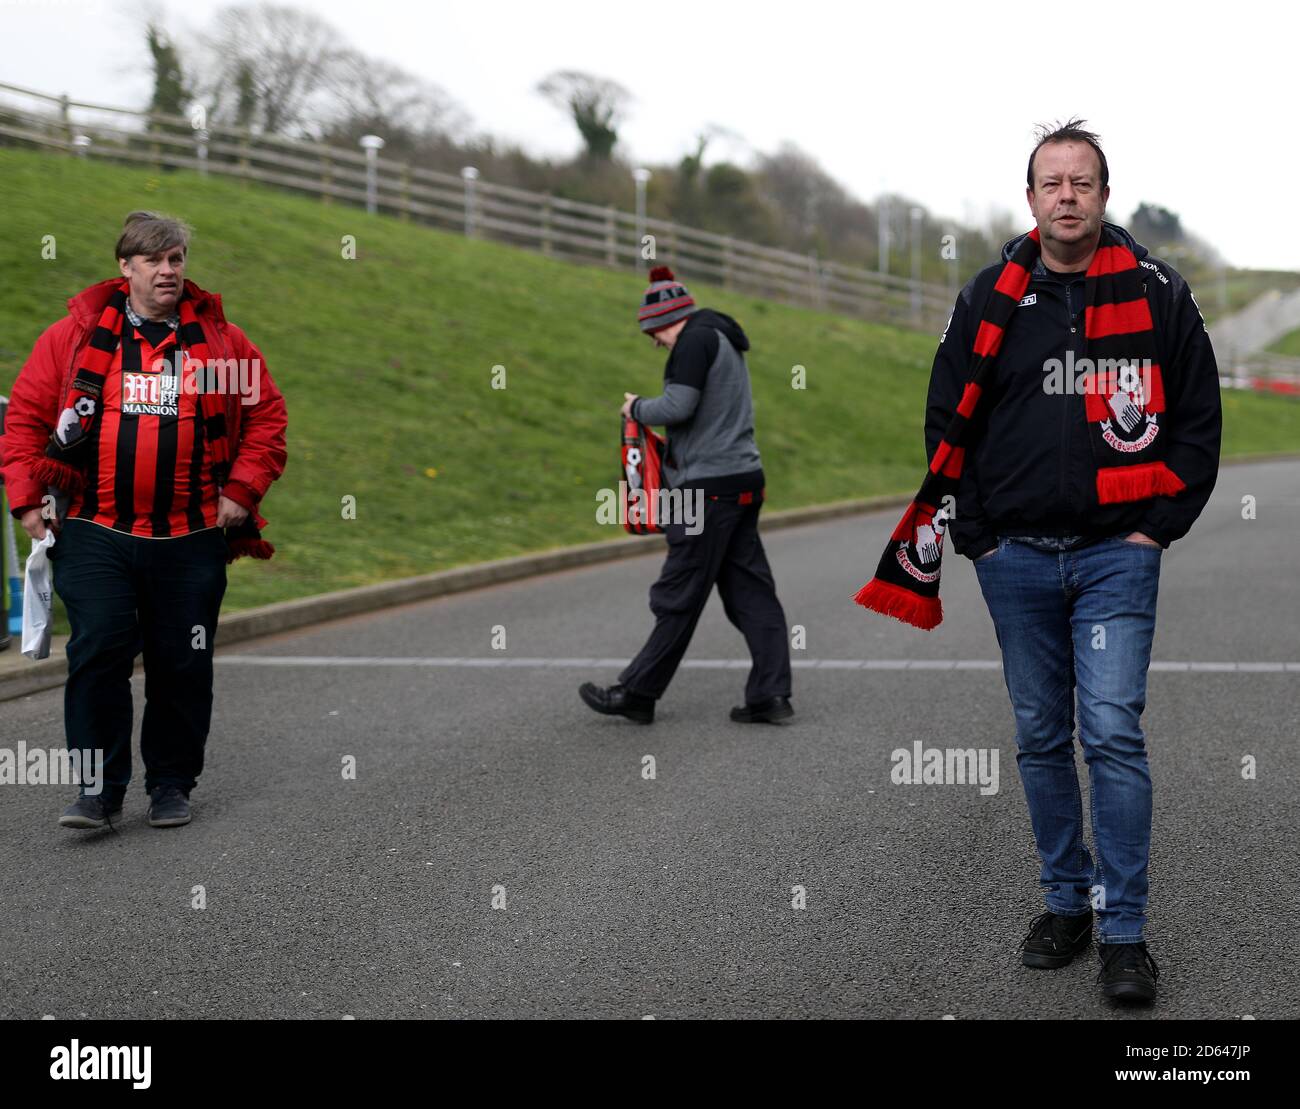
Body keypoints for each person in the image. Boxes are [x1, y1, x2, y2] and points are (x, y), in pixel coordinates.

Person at [858, 119, 1220, 1004]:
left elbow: (1197, 420)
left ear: (1104, 194)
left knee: (1112, 732)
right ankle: (1067, 902)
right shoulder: (990, 297)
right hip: (1014, 556)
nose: (1067, 195)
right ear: (1031, 198)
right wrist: (977, 533)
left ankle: (1125, 930)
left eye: (1082, 182)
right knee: (1039, 735)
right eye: (1051, 182)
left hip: (1116, 556)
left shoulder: (1159, 293)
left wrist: (1154, 525)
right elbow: (950, 419)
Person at [2, 211, 288, 830]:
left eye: (177, 259)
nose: (168, 271)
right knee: (99, 650)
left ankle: (170, 784)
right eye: (155, 260)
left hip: (189, 537)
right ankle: (97, 794)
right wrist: (26, 497)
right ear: (125, 268)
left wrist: (243, 487)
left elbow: (266, 419)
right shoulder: (75, 339)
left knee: (180, 660)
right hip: (96, 529)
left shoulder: (218, 345)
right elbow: (24, 418)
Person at [579, 266, 792, 725]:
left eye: (652, 333)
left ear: (665, 321)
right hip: (743, 480)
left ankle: (638, 692)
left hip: (705, 490)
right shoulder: (724, 336)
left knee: (679, 592)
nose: (654, 343)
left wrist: (634, 407)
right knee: (752, 593)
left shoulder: (694, 340)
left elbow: (679, 406)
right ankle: (770, 696)